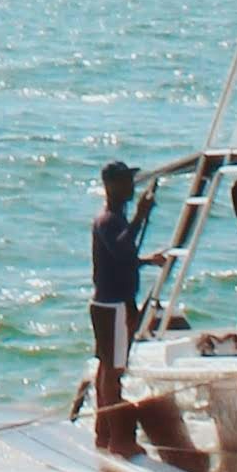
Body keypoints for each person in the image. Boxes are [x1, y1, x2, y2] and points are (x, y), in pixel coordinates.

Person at [88, 162, 143, 441]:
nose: (131, 187)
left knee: (106, 368)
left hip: (110, 304)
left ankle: (104, 430)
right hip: (113, 306)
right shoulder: (109, 220)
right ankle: (118, 439)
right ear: (111, 186)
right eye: (125, 181)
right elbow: (122, 250)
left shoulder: (115, 220)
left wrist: (147, 260)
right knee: (113, 372)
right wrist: (141, 217)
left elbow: (121, 258)